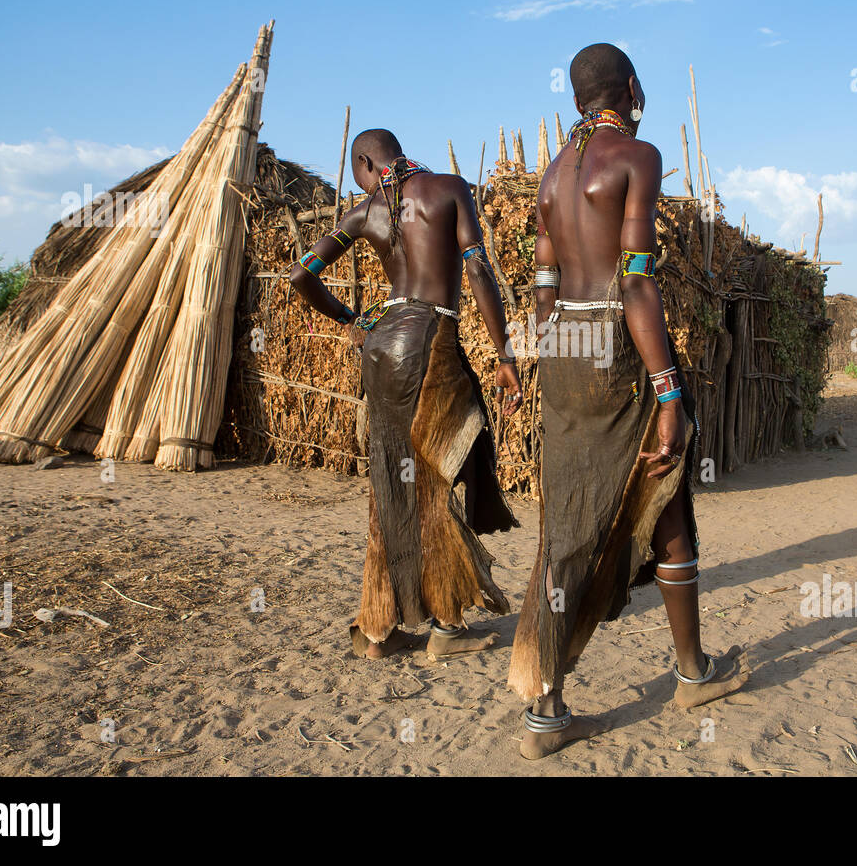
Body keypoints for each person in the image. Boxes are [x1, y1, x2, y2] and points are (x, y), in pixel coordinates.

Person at [507, 44, 749, 759]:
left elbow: (545, 288)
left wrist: (561, 352)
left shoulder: (552, 174)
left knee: (581, 513)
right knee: (659, 471)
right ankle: (682, 673)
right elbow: (638, 283)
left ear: (577, 97)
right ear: (630, 88)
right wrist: (668, 390)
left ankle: (663, 678)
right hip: (616, 342)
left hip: (563, 349)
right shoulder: (635, 158)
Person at [289, 128, 522, 660]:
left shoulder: (363, 213)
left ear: (368, 162)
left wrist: (351, 317)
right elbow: (479, 268)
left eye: (360, 174)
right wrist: (504, 354)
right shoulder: (449, 189)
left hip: (382, 349)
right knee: (433, 479)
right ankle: (446, 626)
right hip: (430, 343)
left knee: (391, 485)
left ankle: (379, 630)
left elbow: (301, 275)